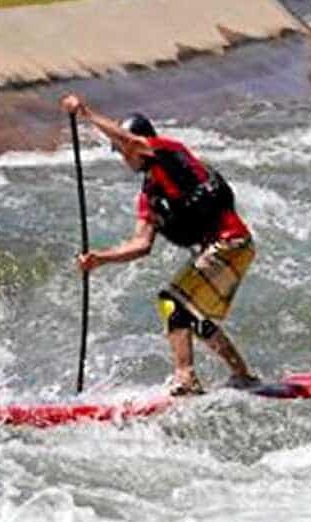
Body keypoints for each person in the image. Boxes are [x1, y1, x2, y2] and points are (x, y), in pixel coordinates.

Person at [62, 93, 259, 396]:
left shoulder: (169, 153)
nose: (123, 156)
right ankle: (243, 375)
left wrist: (85, 113)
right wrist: (99, 259)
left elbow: (129, 141)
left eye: (123, 149)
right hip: (227, 248)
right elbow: (141, 244)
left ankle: (186, 378)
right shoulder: (150, 194)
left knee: (172, 302)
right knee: (193, 317)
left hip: (230, 242)